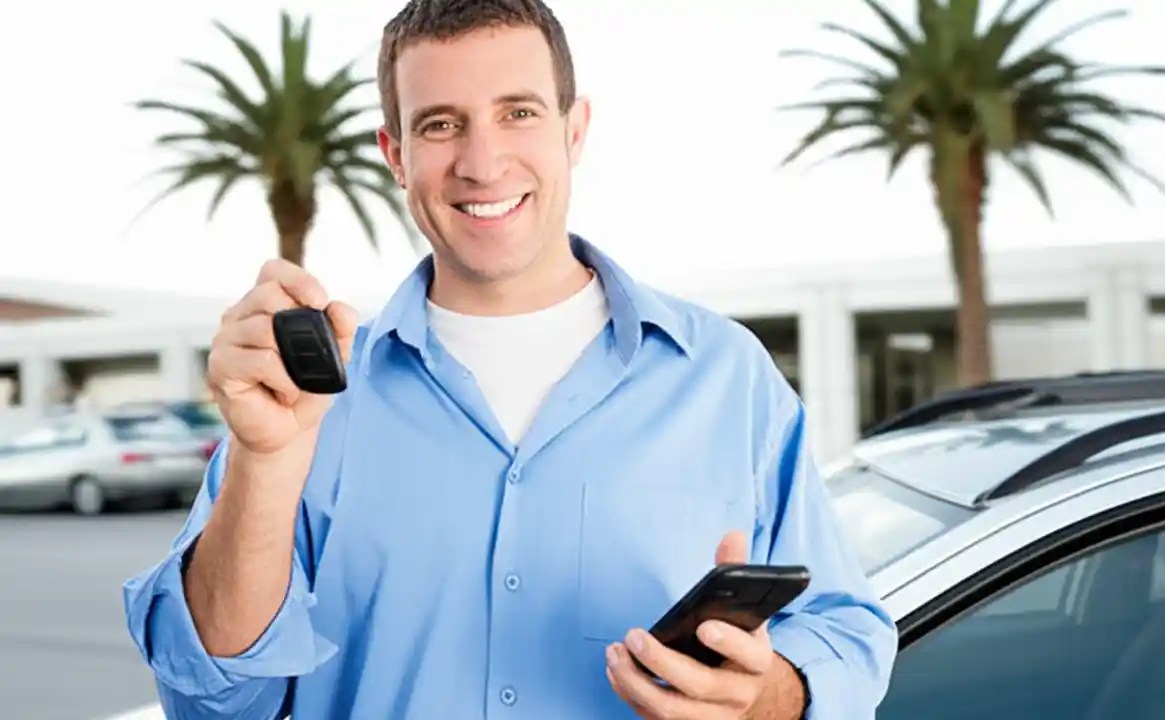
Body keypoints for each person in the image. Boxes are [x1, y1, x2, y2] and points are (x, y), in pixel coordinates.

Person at [122, 1, 898, 718]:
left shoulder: (726, 375)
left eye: (518, 113)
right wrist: (263, 464)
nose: (482, 162)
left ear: (575, 129)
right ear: (395, 154)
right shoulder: (300, 402)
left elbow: (845, 638)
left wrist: (768, 696)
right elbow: (215, 703)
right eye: (439, 125)